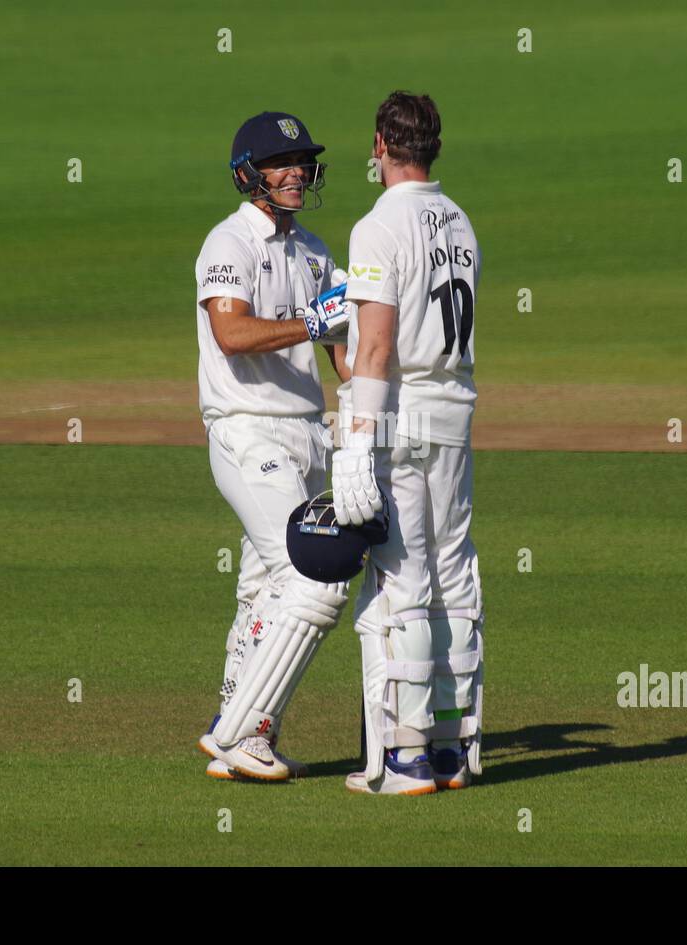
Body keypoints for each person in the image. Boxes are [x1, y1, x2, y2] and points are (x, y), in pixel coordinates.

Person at [332, 92, 483, 796]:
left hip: (404, 416)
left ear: (379, 147)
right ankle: (454, 750)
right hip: (457, 413)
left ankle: (406, 756)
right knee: (454, 578)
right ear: (435, 147)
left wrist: (357, 443)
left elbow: (377, 346)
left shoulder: (378, 225)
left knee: (403, 583)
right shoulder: (460, 222)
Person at [193, 111, 352, 782]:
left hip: (308, 432)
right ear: (246, 174)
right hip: (246, 427)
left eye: (302, 161)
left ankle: (228, 721)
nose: (296, 173)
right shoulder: (228, 243)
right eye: (281, 163)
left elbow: (342, 347)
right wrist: (310, 321)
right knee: (310, 572)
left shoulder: (314, 250)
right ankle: (245, 734)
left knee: (263, 585)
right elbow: (232, 334)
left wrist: (375, 404)